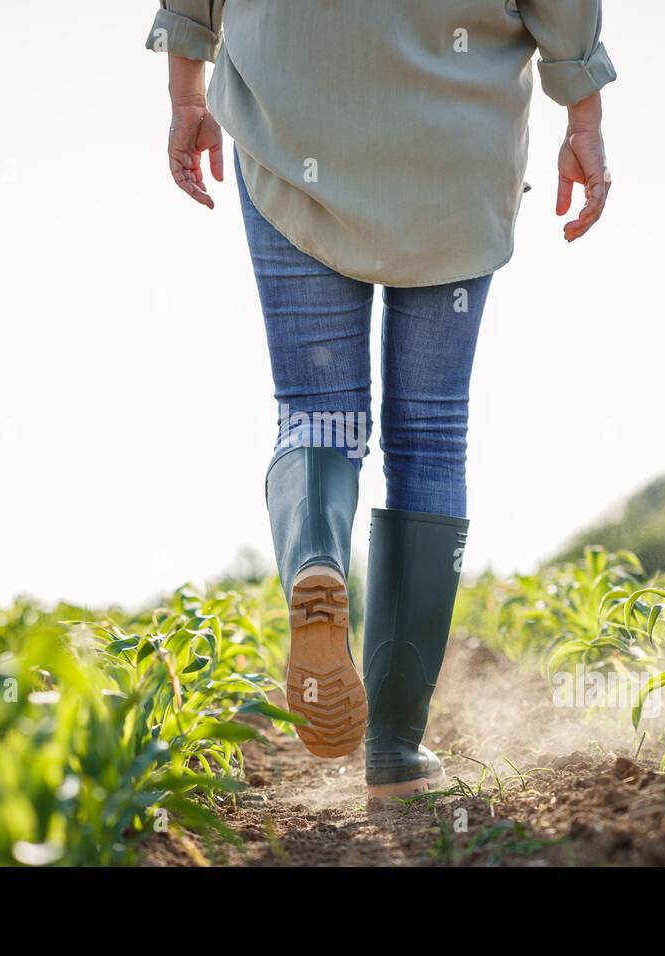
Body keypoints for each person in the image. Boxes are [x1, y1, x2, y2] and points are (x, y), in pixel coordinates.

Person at [146, 0, 614, 802]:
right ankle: (395, 749)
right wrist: (583, 110)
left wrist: (187, 91)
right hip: (452, 135)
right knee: (429, 437)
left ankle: (318, 561)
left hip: (296, 113)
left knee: (315, 410)